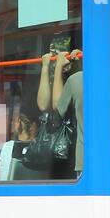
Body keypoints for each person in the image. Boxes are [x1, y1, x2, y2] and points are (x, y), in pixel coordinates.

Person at [37, 36, 83, 174]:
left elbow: (66, 101)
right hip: (57, 148)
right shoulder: (49, 75)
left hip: (72, 146)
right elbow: (44, 105)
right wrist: (47, 67)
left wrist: (77, 64)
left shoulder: (74, 75)